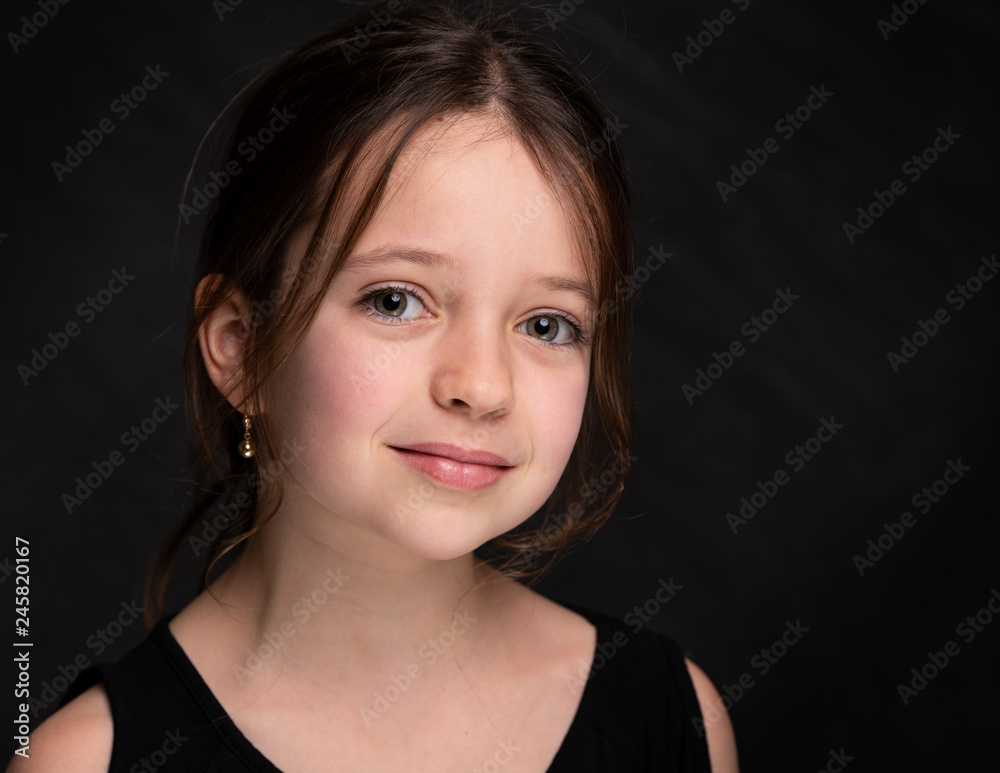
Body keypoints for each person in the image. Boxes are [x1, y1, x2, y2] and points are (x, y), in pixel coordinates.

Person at [10, 1, 738, 770]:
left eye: (547, 324)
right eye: (395, 300)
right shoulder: (83, 762)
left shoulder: (669, 717)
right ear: (241, 348)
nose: (483, 386)